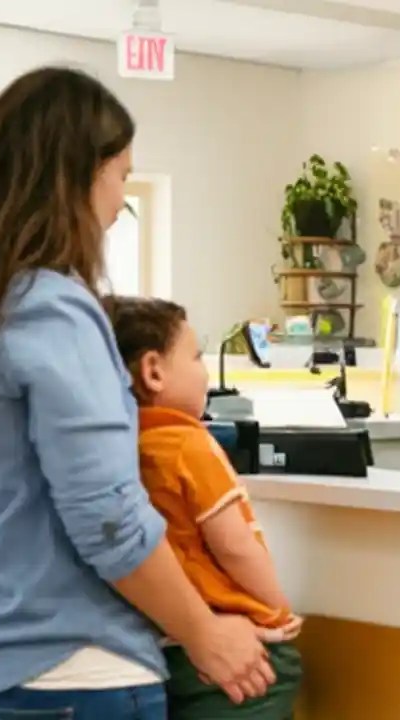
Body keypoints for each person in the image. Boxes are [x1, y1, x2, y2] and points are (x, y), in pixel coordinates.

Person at [0, 67, 274, 720]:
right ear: (75, 177)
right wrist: (206, 633)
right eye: (120, 175)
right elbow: (108, 520)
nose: (122, 203)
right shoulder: (52, 308)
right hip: (67, 675)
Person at [103, 295, 304, 720]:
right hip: (233, 644)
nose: (205, 373)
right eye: (195, 357)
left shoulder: (116, 451)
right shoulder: (191, 445)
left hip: (161, 643)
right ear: (153, 371)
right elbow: (234, 545)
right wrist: (276, 610)